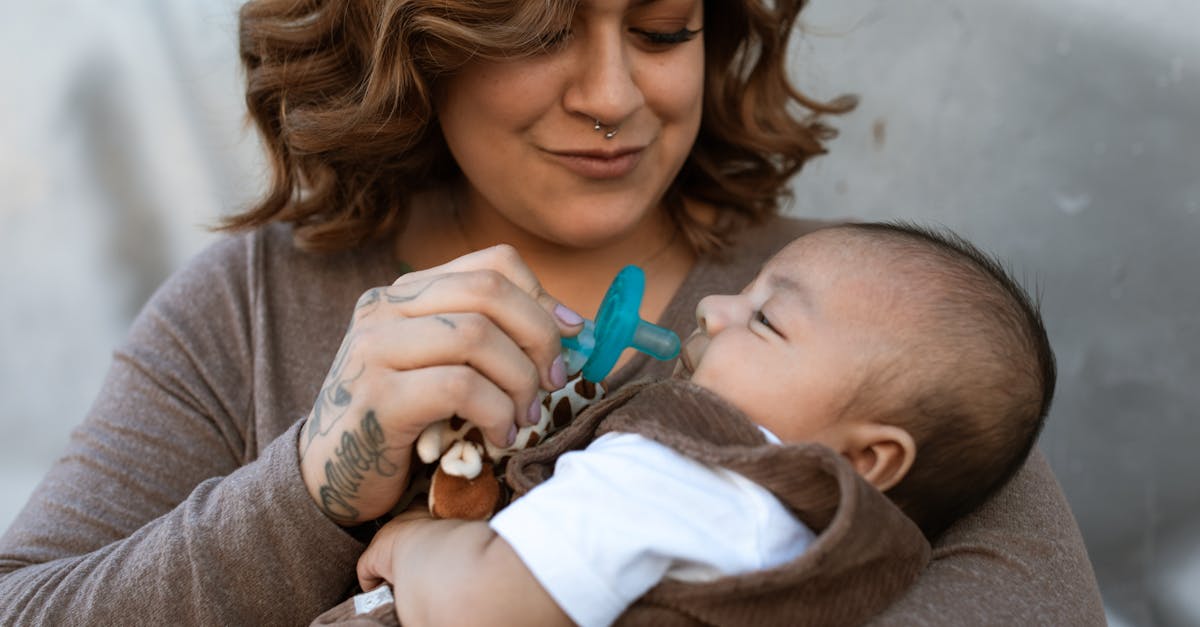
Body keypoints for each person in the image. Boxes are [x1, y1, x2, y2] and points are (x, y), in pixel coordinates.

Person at [0, 1, 1104, 625]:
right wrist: (313, 477)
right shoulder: (253, 300)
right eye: (536, 31)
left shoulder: (868, 324)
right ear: (408, 43)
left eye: (666, 28)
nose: (615, 96)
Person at [343, 221, 1056, 626]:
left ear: (868, 458)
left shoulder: (685, 469)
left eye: (767, 319)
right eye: (745, 292)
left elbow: (479, 608)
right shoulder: (827, 552)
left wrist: (418, 542)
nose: (714, 306)